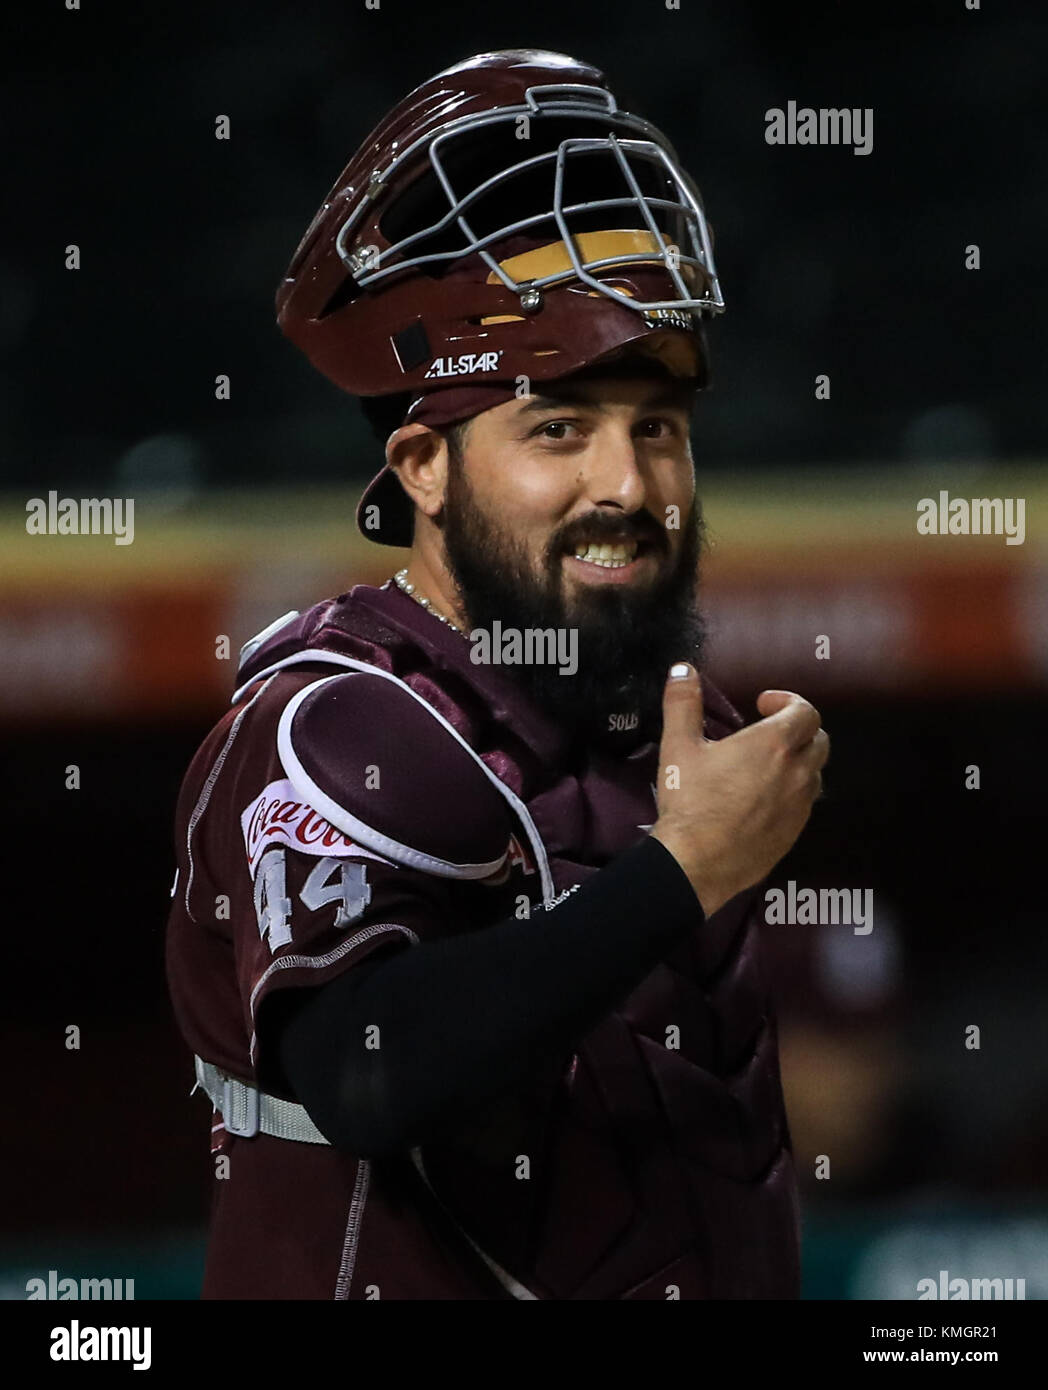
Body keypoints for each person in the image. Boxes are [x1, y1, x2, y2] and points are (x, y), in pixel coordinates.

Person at [165, 48, 829, 1300]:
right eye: (558, 429)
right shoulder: (339, 717)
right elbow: (364, 1069)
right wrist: (685, 870)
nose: (626, 486)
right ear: (421, 466)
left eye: (659, 430)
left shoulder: (679, 728)